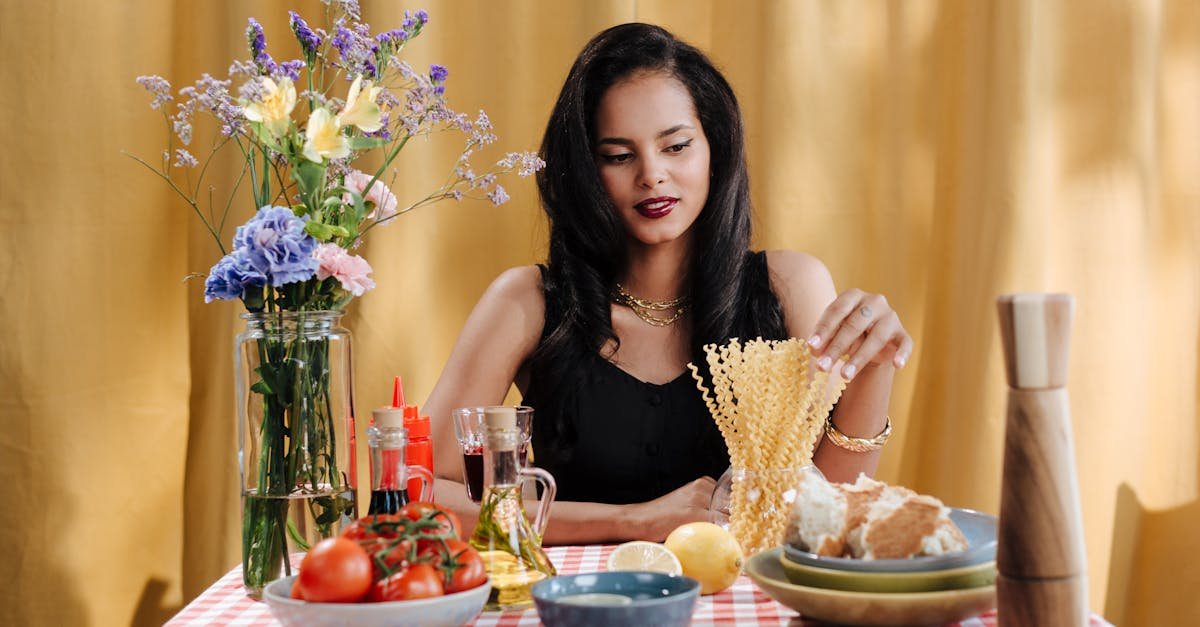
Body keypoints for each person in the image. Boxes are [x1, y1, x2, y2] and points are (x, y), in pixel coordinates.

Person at [423, 23, 912, 544]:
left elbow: (832, 508)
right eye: (618, 155)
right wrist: (632, 521)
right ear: (585, 170)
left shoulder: (788, 286)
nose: (651, 175)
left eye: (676, 146)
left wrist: (874, 370)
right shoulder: (528, 302)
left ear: (714, 149)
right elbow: (421, 493)